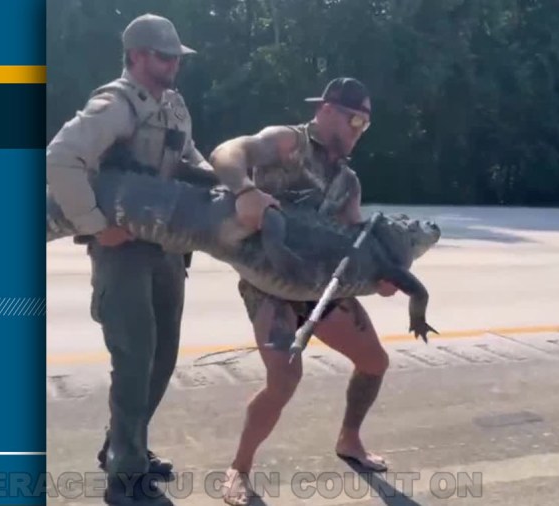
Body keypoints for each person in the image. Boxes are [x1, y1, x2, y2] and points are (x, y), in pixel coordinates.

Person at [208, 77, 399, 505]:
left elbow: (356, 242)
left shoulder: (347, 182)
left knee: (374, 362)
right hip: (270, 284)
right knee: (284, 380)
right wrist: (245, 190)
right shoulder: (286, 143)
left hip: (320, 286)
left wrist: (382, 276)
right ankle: (239, 468)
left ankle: (349, 439)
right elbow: (225, 153)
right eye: (354, 119)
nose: (359, 130)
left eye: (365, 124)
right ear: (326, 110)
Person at [46, 13, 208, 506]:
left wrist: (225, 184)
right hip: (122, 250)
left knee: (161, 358)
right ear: (137, 56)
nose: (174, 64)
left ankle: (123, 447)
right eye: (165, 56)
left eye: (177, 57)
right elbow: (60, 157)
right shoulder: (115, 105)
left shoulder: (173, 106)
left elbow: (189, 158)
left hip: (166, 246)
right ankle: (126, 481)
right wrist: (95, 224)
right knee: (134, 359)